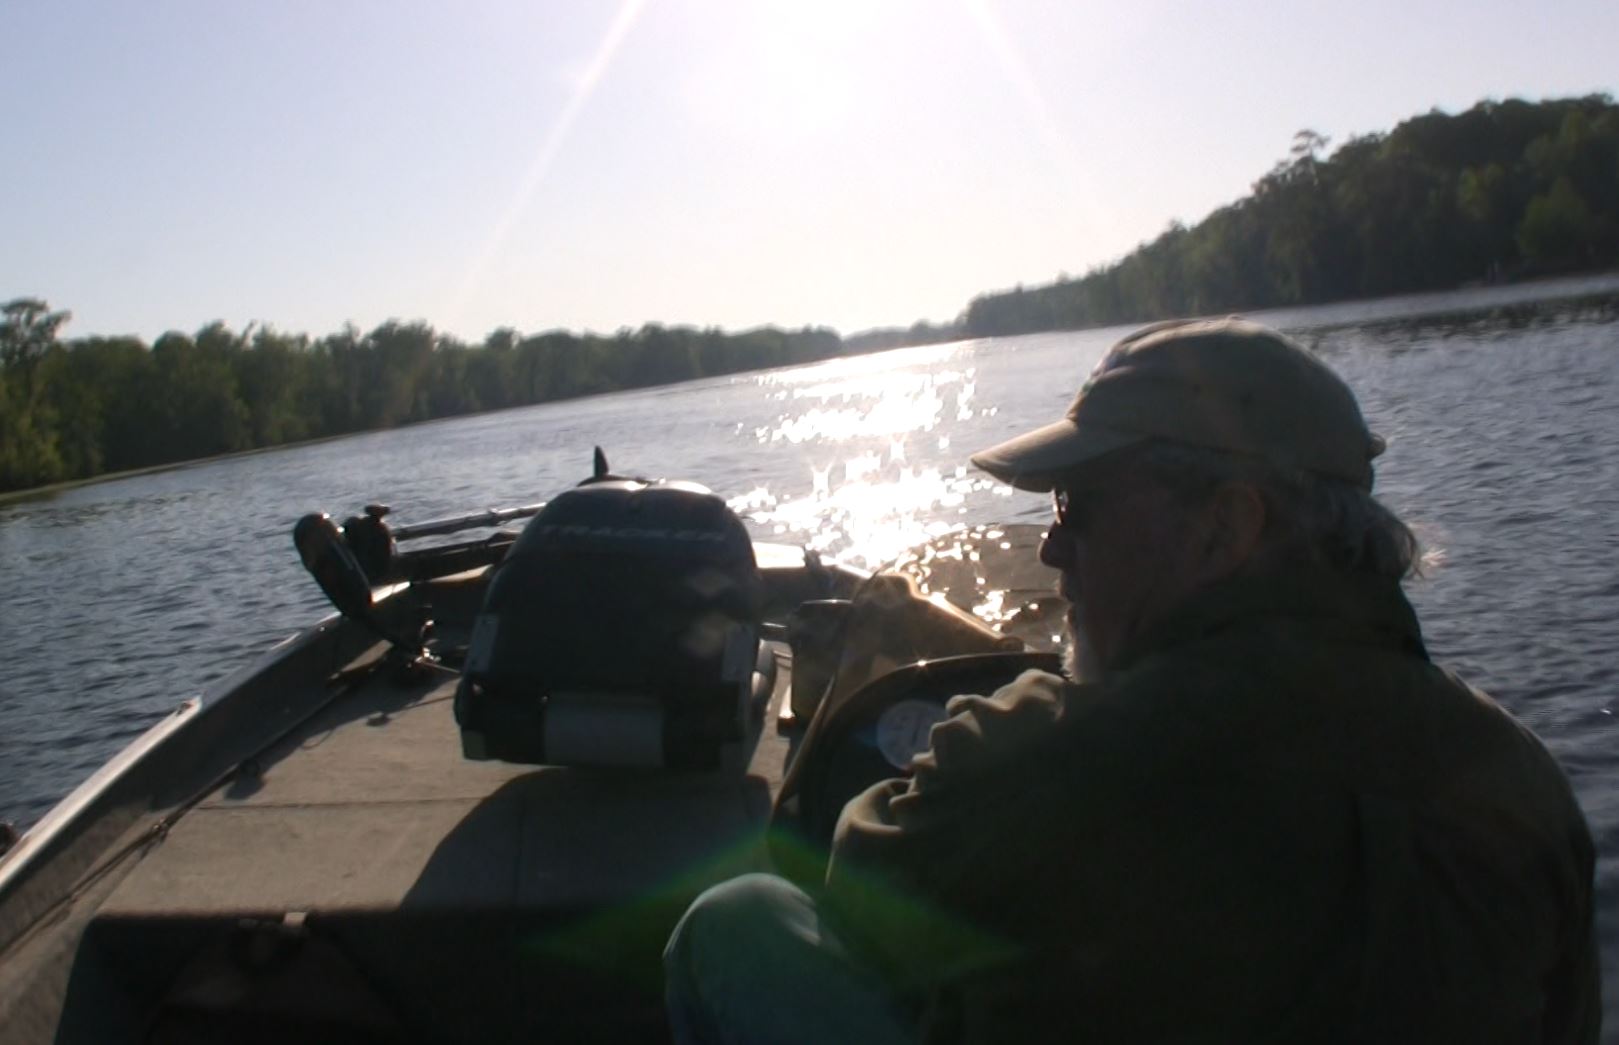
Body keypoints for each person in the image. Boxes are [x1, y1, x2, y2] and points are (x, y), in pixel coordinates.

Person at [664, 318, 1600, 1044]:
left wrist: (1050, 701)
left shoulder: (1062, 750)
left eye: (1082, 505)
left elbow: (863, 877)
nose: (1051, 545)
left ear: (1225, 527)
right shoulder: (1520, 776)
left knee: (740, 921)